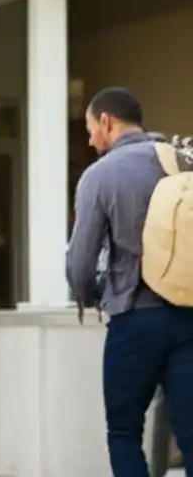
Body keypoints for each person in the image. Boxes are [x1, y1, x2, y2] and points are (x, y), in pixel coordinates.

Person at [66, 87, 193, 477]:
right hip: (189, 317)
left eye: (90, 129)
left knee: (123, 431)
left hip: (134, 317)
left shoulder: (100, 174)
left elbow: (81, 262)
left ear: (106, 121)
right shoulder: (181, 162)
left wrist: (90, 295)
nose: (89, 140)